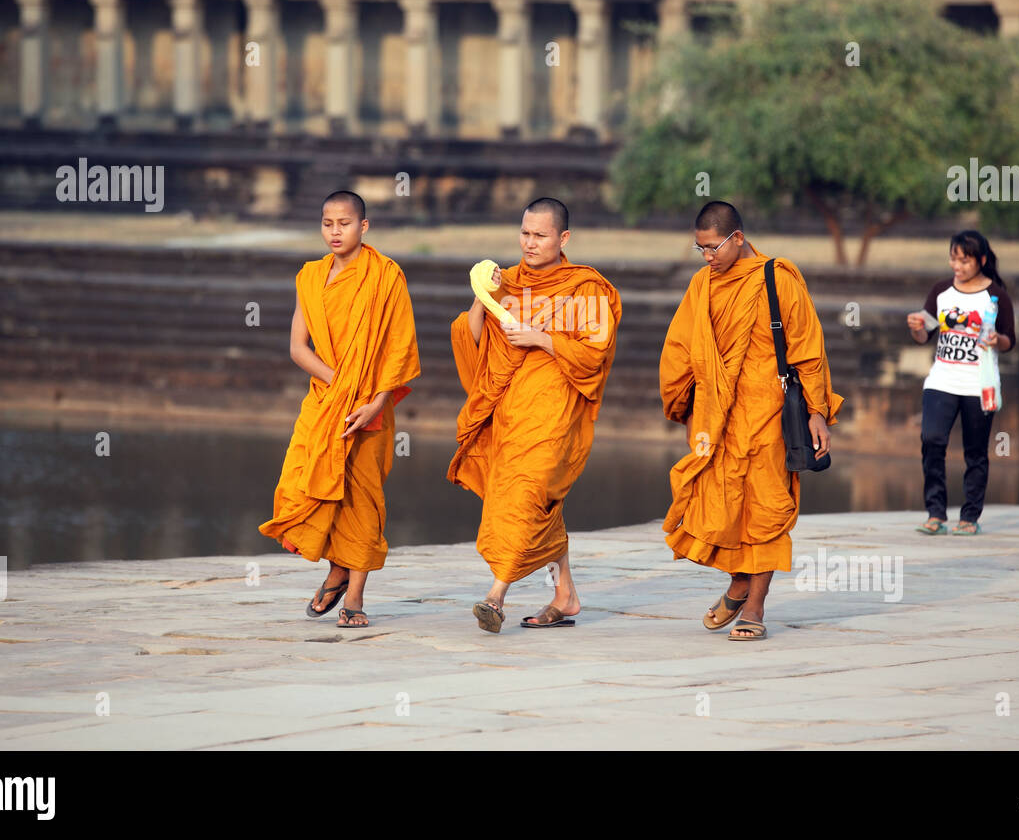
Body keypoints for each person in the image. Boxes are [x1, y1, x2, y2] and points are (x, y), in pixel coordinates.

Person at [658, 201, 843, 641]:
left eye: (713, 247)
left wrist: (818, 413)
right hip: (718, 420)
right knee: (722, 507)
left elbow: (808, 350)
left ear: (737, 238)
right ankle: (739, 580)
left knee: (766, 510)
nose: (707, 256)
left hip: (770, 418)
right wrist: (682, 398)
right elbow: (681, 347)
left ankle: (755, 606)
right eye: (699, 248)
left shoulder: (777, 278)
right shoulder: (701, 285)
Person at [447, 197, 621, 632]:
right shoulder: (508, 280)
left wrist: (540, 338)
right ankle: (565, 595)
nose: (530, 243)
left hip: (556, 411)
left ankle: (495, 595)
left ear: (563, 238)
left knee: (526, 493)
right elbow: (471, 337)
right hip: (510, 410)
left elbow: (593, 354)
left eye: (540, 235)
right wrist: (482, 295)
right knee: (539, 500)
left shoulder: (585, 287)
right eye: (524, 233)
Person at [259, 190, 420, 627]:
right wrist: (340, 385)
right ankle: (336, 568)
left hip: (372, 405)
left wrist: (374, 402)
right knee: (305, 483)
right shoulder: (310, 276)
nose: (335, 231)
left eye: (345, 223)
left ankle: (353, 598)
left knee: (362, 498)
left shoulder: (387, 276)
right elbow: (297, 346)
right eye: (328, 223)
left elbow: (399, 349)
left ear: (363, 227)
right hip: (328, 400)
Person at [906, 230, 1016, 536]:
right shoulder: (941, 292)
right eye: (954, 259)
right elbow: (923, 335)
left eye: (964, 261)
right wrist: (916, 326)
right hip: (942, 379)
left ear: (980, 260)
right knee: (931, 439)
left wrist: (998, 339)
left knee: (976, 451)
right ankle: (935, 512)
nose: (958, 266)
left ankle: (969, 515)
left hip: (978, 384)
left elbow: (1010, 341)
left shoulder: (996, 296)